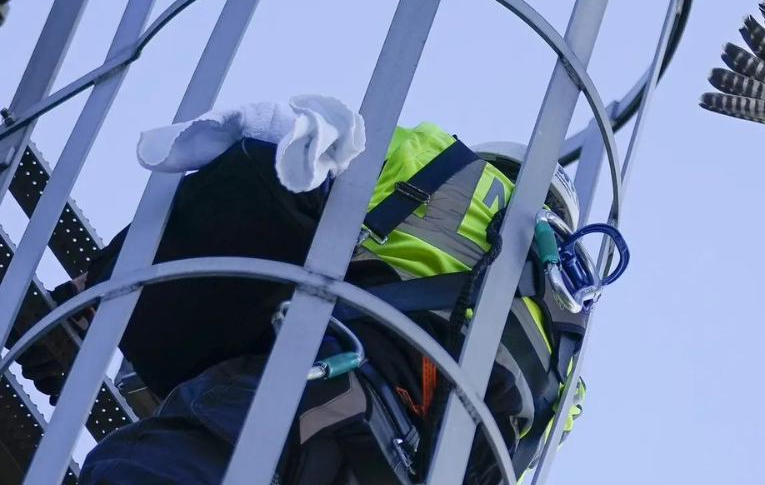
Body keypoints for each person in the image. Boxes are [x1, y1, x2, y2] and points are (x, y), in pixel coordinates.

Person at [70, 120, 587, 485]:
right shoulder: (569, 349)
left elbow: (289, 172)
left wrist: (106, 286)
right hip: (409, 470)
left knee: (150, 469)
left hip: (319, 392)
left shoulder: (440, 161)